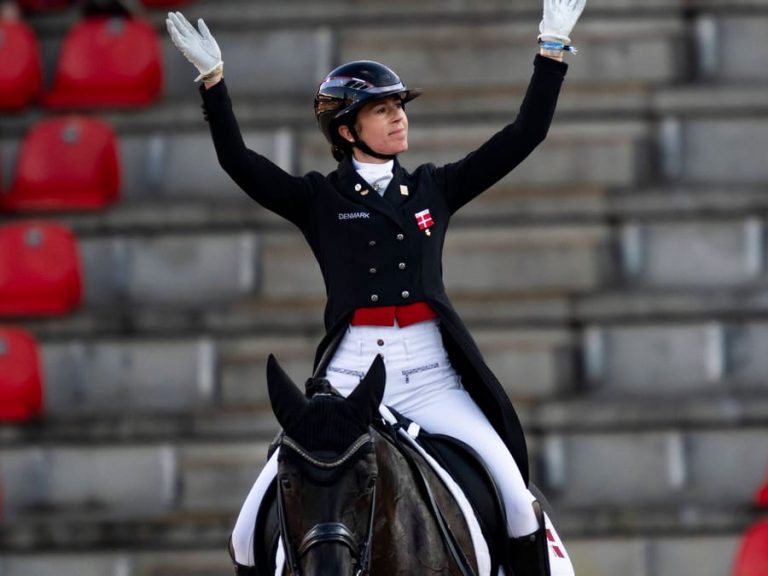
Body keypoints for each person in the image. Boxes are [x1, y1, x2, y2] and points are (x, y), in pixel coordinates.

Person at [167, 2, 586, 574]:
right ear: (346, 129)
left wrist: (552, 50)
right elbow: (239, 161)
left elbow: (524, 134)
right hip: (347, 384)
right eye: (382, 110)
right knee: (245, 533)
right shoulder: (319, 199)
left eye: (399, 108)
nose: (399, 119)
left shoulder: (434, 189)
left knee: (517, 501)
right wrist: (213, 84)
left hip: (434, 379)